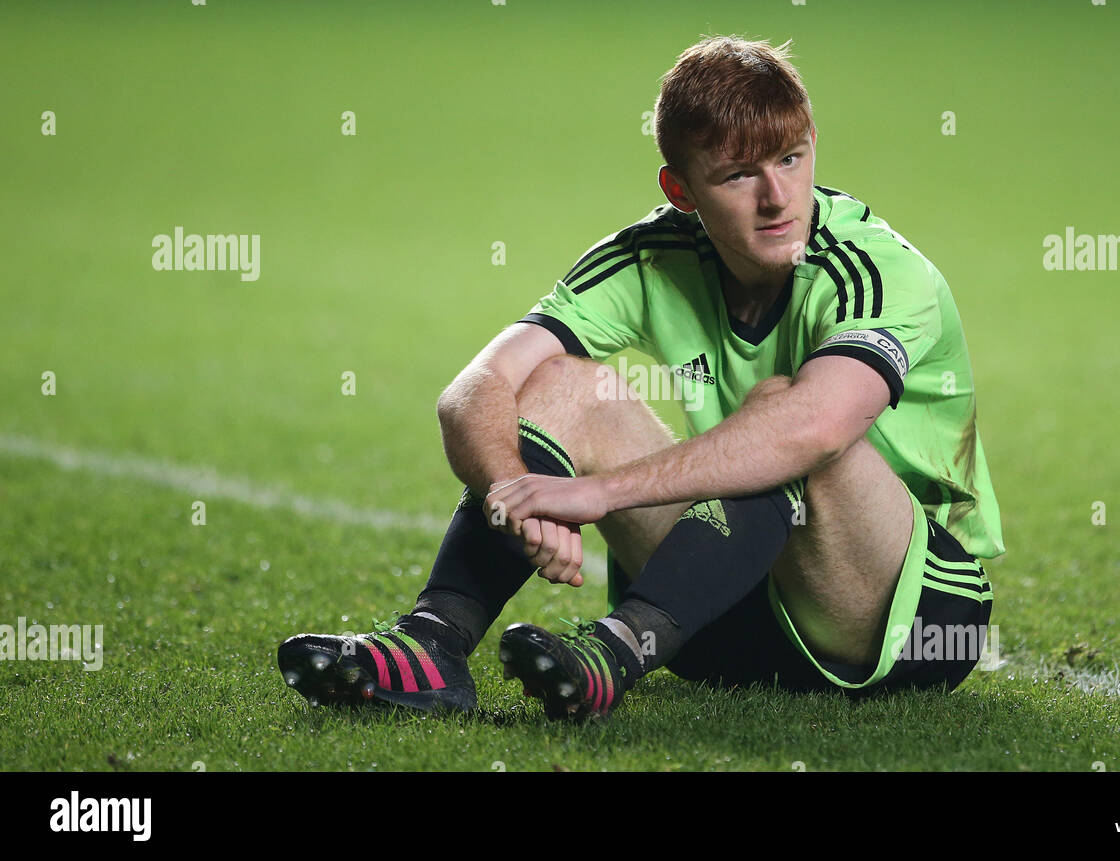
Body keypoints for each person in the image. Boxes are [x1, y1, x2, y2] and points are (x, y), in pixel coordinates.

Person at [277, 34, 1004, 720]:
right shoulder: (651, 253)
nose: (777, 197)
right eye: (738, 174)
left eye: (790, 157)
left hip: (909, 618)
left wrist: (596, 493)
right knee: (564, 383)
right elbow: (475, 389)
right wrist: (514, 496)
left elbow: (815, 428)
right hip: (734, 615)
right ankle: (433, 643)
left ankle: (616, 651)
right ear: (682, 189)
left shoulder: (876, 269)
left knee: (782, 413)